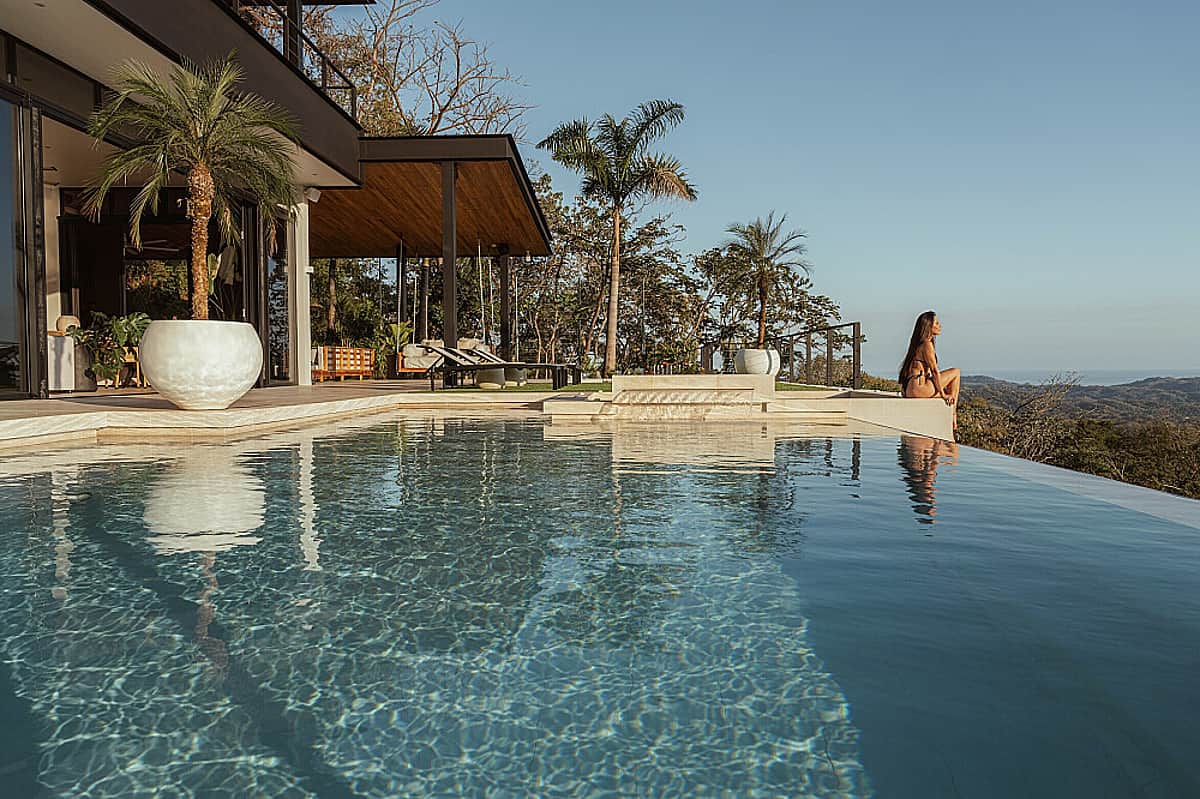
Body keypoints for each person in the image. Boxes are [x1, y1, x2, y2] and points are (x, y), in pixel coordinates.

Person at [899, 310, 960, 408]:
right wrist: (943, 395)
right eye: (936, 323)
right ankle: (953, 415)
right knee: (956, 372)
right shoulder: (927, 345)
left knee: (950, 392)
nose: (940, 326)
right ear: (929, 326)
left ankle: (952, 414)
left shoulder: (917, 344)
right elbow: (935, 371)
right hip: (919, 388)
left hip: (911, 389)